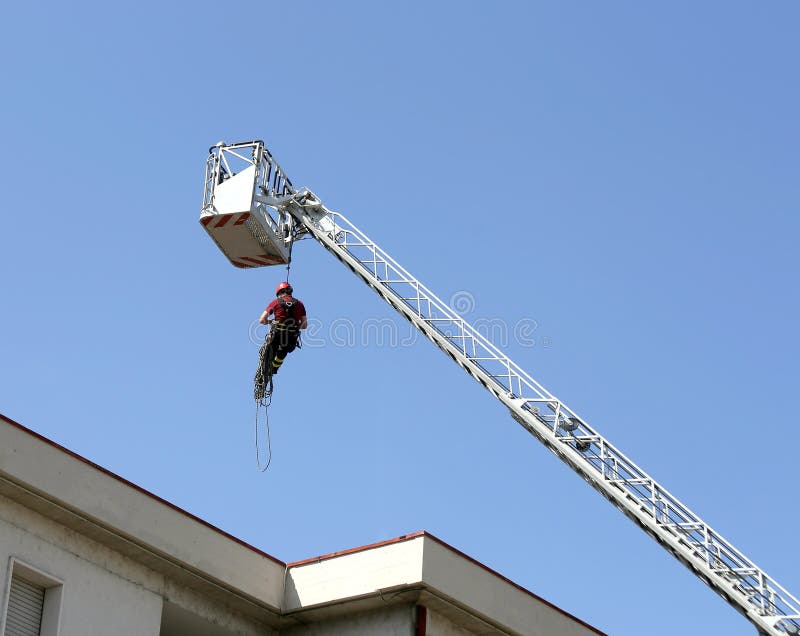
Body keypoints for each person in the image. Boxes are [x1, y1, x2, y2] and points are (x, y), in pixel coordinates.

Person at [258, 282, 307, 376]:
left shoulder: (275, 302)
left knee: (270, 349)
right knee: (283, 351)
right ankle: (274, 369)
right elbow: (304, 325)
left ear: (279, 293)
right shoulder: (300, 304)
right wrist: (296, 326)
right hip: (291, 337)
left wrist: (271, 321)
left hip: (277, 335)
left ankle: (265, 370)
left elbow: (261, 320)